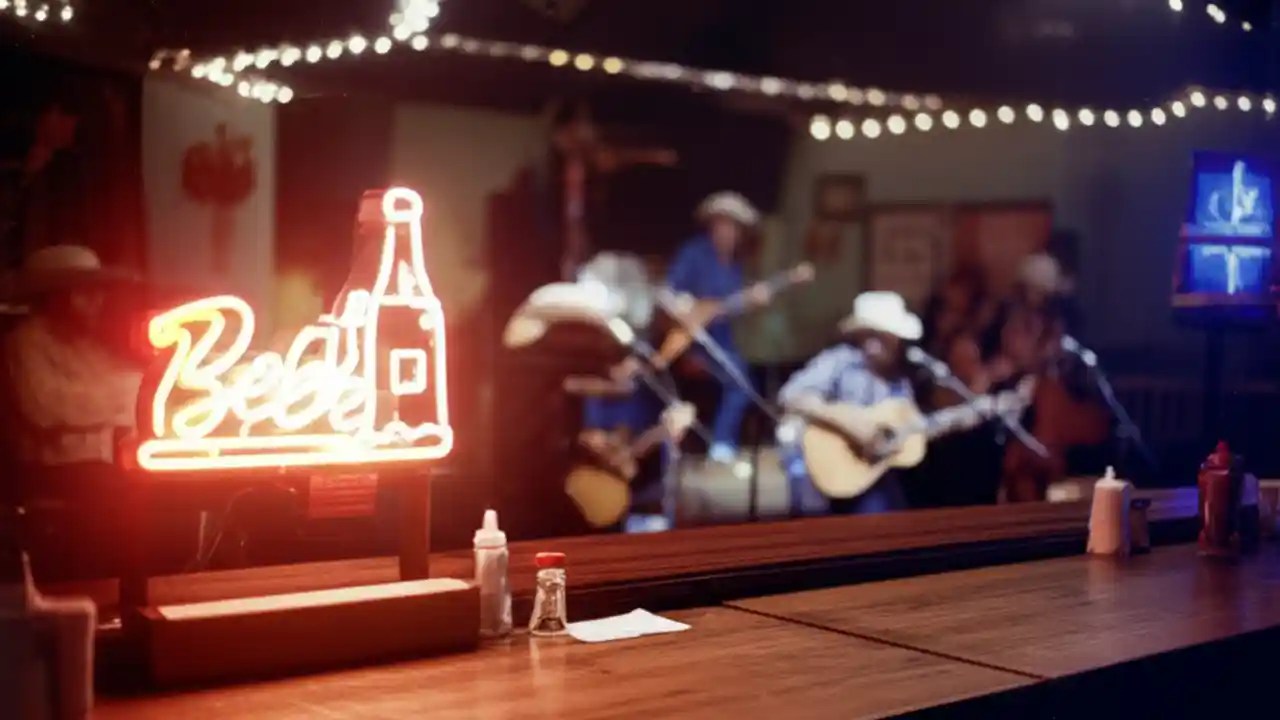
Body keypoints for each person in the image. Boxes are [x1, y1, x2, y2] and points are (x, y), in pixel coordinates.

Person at [777, 291, 922, 515]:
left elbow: (907, 428)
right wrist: (847, 421)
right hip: (827, 472)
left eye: (884, 335)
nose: (875, 342)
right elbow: (791, 395)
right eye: (869, 334)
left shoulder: (902, 380)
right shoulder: (840, 361)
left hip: (873, 475)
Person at [4, 245, 142, 467]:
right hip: (53, 475)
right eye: (83, 291)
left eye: (98, 290)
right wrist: (131, 392)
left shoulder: (88, 344)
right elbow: (47, 408)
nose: (97, 300)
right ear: (54, 296)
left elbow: (130, 386)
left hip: (104, 468)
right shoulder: (25, 342)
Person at [666, 191, 772, 463]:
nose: (725, 231)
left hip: (722, 341)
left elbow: (730, 308)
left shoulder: (740, 266)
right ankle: (714, 442)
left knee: (742, 380)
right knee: (736, 377)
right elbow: (670, 293)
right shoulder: (693, 253)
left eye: (732, 226)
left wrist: (751, 303)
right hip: (690, 342)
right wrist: (690, 311)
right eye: (720, 224)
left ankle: (722, 444)